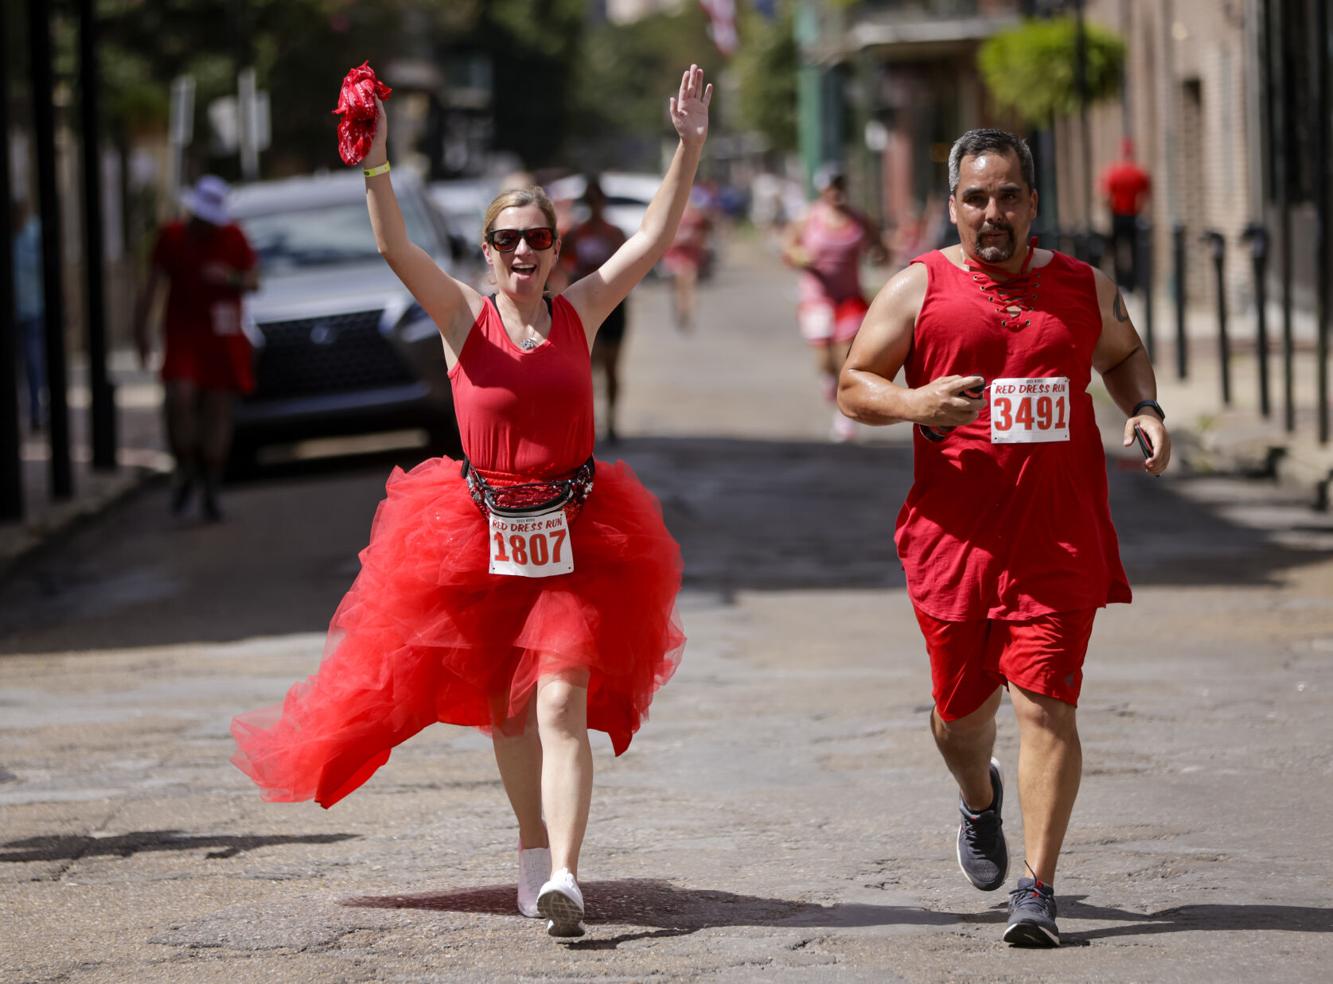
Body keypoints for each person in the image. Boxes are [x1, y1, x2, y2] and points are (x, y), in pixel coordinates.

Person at [231, 65, 713, 940]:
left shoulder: (583, 311)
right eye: (507, 240)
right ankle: (532, 845)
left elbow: (651, 235)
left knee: (562, 699)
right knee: (509, 711)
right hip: (479, 535)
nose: (523, 252)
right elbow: (393, 249)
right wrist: (376, 164)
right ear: (487, 250)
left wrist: (687, 145)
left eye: (537, 238)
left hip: (576, 532)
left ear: (555, 249)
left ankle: (566, 873)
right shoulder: (461, 317)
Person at [838, 128, 1171, 948]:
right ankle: (977, 800)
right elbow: (854, 383)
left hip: (1056, 539)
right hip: (953, 541)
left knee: (1046, 704)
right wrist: (913, 405)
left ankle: (1037, 887)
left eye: (1008, 195)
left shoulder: (1082, 286)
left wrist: (1144, 409)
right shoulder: (918, 287)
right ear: (953, 205)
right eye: (976, 197)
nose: (993, 212)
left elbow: (1123, 355)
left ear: (1032, 202)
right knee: (960, 716)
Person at [134, 175, 260, 522]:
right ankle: (187, 465)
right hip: (183, 333)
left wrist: (230, 278)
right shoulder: (171, 237)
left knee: (218, 408)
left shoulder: (233, 237)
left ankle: (211, 485)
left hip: (222, 335)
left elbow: (254, 280)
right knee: (180, 397)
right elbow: (152, 285)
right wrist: (141, 331)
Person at [782, 165, 887, 442]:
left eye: (841, 186)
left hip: (850, 297)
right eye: (831, 187)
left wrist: (879, 255)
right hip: (817, 297)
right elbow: (788, 249)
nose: (837, 192)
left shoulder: (858, 219)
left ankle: (844, 421)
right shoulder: (809, 218)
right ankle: (829, 381)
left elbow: (880, 248)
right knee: (825, 360)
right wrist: (799, 256)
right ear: (822, 190)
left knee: (847, 358)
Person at [559, 177, 629, 442]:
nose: (594, 205)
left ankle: (611, 421)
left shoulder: (614, 234)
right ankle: (586, 421)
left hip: (614, 306)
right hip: (584, 306)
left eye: (597, 200)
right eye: (590, 201)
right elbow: (560, 262)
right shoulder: (576, 234)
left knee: (612, 366)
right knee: (587, 366)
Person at [11, 200, 45, 432]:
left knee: (33, 362)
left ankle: (36, 412)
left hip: (33, 310)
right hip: (14, 312)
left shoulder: (35, 234)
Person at [1099, 138, 1150, 291]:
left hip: (1117, 216)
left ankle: (1120, 281)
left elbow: (1106, 197)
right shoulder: (1139, 173)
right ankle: (1133, 283)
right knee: (1134, 250)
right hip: (1133, 216)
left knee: (1116, 251)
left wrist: (1109, 211)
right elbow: (1145, 196)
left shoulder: (1114, 173)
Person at [662, 186, 712, 332]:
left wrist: (698, 243)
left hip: (690, 255)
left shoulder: (696, 217)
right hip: (676, 255)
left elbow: (704, 232)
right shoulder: (675, 216)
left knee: (690, 285)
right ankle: (682, 310)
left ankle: (688, 313)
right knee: (680, 286)